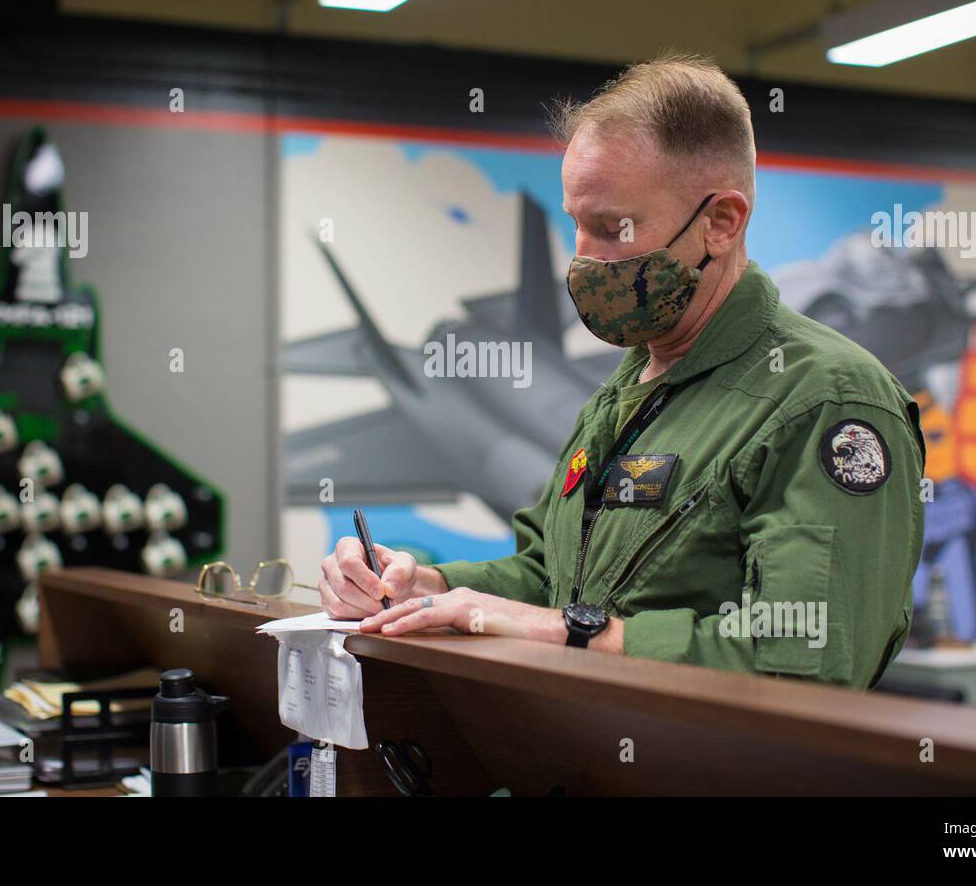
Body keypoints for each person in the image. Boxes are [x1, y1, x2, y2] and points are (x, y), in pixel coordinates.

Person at [321, 52, 926, 688]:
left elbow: (807, 661)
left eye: (615, 227)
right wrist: (427, 585)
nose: (584, 258)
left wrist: (576, 634)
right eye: (578, 224)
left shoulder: (827, 401)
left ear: (721, 222)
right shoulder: (627, 391)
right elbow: (552, 575)